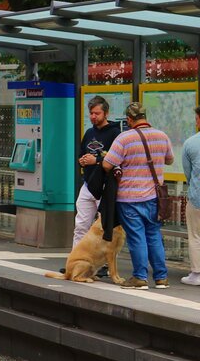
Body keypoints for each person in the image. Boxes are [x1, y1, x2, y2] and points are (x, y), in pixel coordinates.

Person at [102, 102, 174, 289]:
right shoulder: (161, 136)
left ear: (129, 119)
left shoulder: (124, 138)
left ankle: (140, 277)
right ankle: (161, 278)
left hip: (129, 199)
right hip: (154, 198)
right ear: (145, 117)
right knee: (154, 235)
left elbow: (107, 165)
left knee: (136, 237)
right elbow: (169, 159)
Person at [70, 96, 122, 274]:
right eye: (91, 113)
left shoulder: (115, 134)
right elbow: (82, 151)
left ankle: (104, 264)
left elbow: (117, 159)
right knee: (81, 224)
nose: (93, 116)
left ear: (105, 113)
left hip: (106, 187)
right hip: (89, 183)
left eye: (97, 113)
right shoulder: (89, 132)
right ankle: (75, 259)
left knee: (106, 227)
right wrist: (82, 160)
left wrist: (97, 160)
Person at [179, 106, 200, 286]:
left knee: (195, 235)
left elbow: (188, 173)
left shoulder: (190, 143)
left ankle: (196, 274)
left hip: (197, 197)